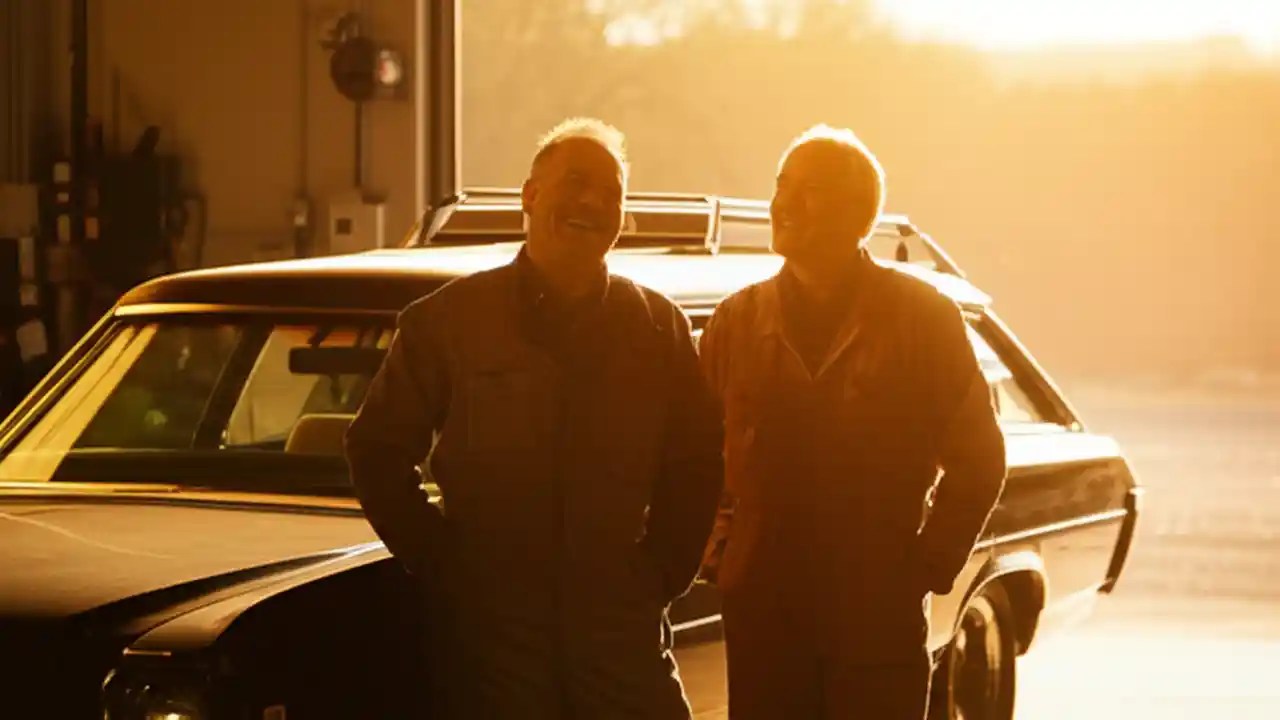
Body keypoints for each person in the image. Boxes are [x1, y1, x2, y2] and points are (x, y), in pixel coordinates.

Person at [345, 117, 724, 719]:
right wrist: (446, 564)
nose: (594, 201)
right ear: (530, 196)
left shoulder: (657, 327)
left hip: (618, 635)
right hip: (492, 643)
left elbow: (697, 463)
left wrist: (659, 573)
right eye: (576, 182)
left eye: (612, 192)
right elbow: (376, 449)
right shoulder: (447, 323)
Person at [698, 124, 1007, 719]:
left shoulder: (923, 320)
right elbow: (691, 452)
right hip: (764, 615)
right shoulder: (738, 321)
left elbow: (979, 459)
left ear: (857, 213)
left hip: (876, 617)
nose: (782, 205)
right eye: (780, 186)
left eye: (807, 190)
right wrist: (721, 557)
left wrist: (922, 567)